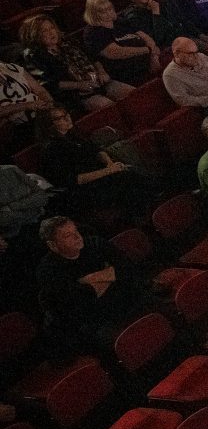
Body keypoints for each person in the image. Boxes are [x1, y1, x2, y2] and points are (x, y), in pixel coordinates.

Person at [37, 216, 143, 360]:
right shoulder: (48, 270)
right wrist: (109, 274)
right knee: (122, 343)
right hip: (88, 322)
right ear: (53, 245)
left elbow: (127, 268)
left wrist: (89, 279)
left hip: (116, 302)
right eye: (68, 235)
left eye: (76, 231)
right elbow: (80, 301)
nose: (77, 237)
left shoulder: (95, 243)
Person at [35, 105, 149, 219]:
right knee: (128, 181)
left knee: (131, 173)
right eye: (61, 117)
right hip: (85, 189)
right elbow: (75, 180)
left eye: (66, 114)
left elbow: (96, 150)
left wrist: (109, 163)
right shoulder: (52, 150)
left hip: (101, 174)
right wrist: (109, 170)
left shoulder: (72, 134)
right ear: (50, 125)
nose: (67, 118)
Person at [20, 14, 131, 114]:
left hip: (100, 82)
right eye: (45, 31)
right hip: (79, 95)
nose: (51, 33)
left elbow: (92, 57)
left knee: (131, 94)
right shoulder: (33, 56)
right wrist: (79, 85)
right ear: (34, 35)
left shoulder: (67, 40)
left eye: (52, 28)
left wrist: (102, 72)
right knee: (109, 108)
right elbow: (49, 84)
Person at [83, 0, 160, 84]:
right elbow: (116, 52)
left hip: (148, 62)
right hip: (126, 73)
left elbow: (144, 36)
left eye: (109, 9)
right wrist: (148, 50)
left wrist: (153, 56)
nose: (108, 13)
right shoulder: (93, 32)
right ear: (93, 14)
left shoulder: (119, 21)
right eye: (103, 12)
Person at [119, 0, 191, 53]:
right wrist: (156, 13)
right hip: (167, 48)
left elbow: (178, 20)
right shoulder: (133, 17)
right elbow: (158, 39)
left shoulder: (158, 1)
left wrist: (196, 35)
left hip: (183, 38)